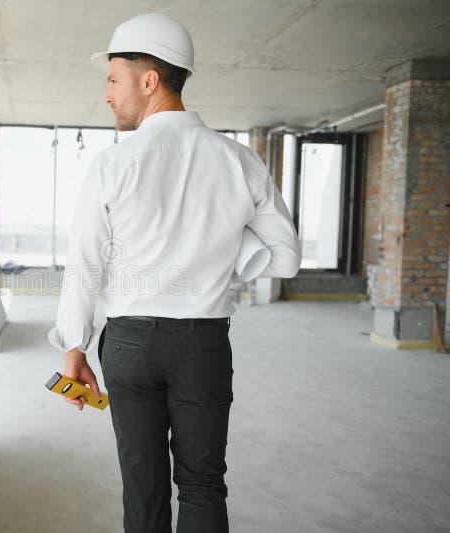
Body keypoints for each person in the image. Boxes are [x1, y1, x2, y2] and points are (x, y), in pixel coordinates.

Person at [46, 12, 301, 533]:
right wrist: (223, 250)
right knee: (204, 484)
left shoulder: (112, 166)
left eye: (113, 80)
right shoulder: (239, 161)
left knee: (142, 485)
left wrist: (74, 347)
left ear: (148, 81)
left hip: (128, 346)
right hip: (202, 346)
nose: (108, 95)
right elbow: (286, 257)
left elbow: (85, 266)